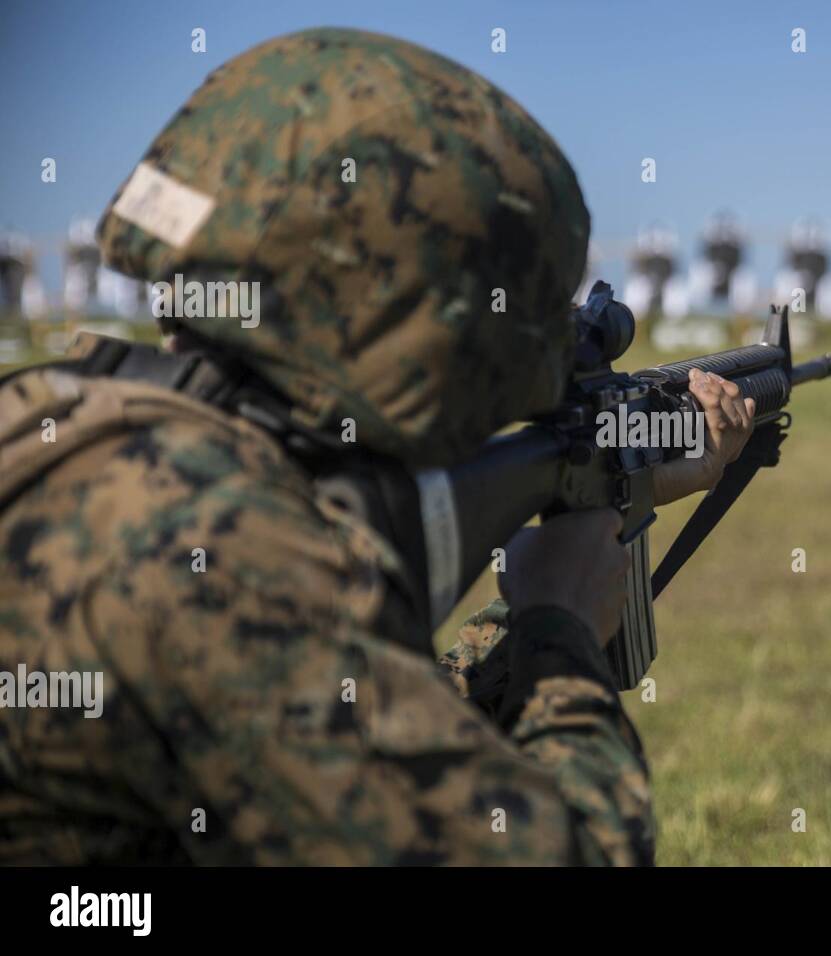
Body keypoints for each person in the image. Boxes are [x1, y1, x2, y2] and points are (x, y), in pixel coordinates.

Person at [0, 28, 753, 866]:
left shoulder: (66, 427)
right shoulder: (221, 548)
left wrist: (566, 557)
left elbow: (345, 749)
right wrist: (564, 629)